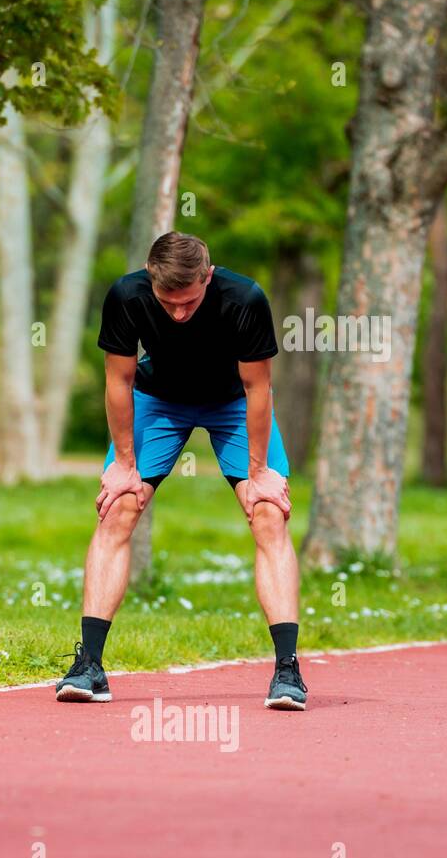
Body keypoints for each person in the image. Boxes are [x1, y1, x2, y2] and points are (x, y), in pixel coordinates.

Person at [56, 231, 308, 711]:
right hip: (158, 401)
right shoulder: (126, 296)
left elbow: (259, 390)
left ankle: (287, 671)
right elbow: (119, 380)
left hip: (234, 404)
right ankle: (89, 665)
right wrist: (125, 466)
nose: (177, 313)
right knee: (117, 510)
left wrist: (259, 473)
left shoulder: (244, 299)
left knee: (269, 513)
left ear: (207, 277)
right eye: (166, 302)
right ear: (150, 281)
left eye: (188, 301)